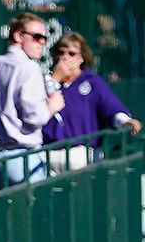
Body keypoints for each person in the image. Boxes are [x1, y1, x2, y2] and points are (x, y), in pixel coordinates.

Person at [0, 13, 63, 191]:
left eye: (44, 38)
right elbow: (34, 117)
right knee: (35, 217)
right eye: (37, 37)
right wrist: (51, 107)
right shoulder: (28, 67)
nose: (42, 42)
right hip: (20, 156)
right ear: (18, 36)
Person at [41, 32, 141, 173]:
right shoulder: (46, 81)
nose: (64, 57)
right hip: (47, 153)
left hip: (80, 154)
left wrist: (125, 121)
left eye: (71, 53)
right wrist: (55, 79)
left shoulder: (91, 81)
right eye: (60, 52)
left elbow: (111, 106)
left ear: (82, 58)